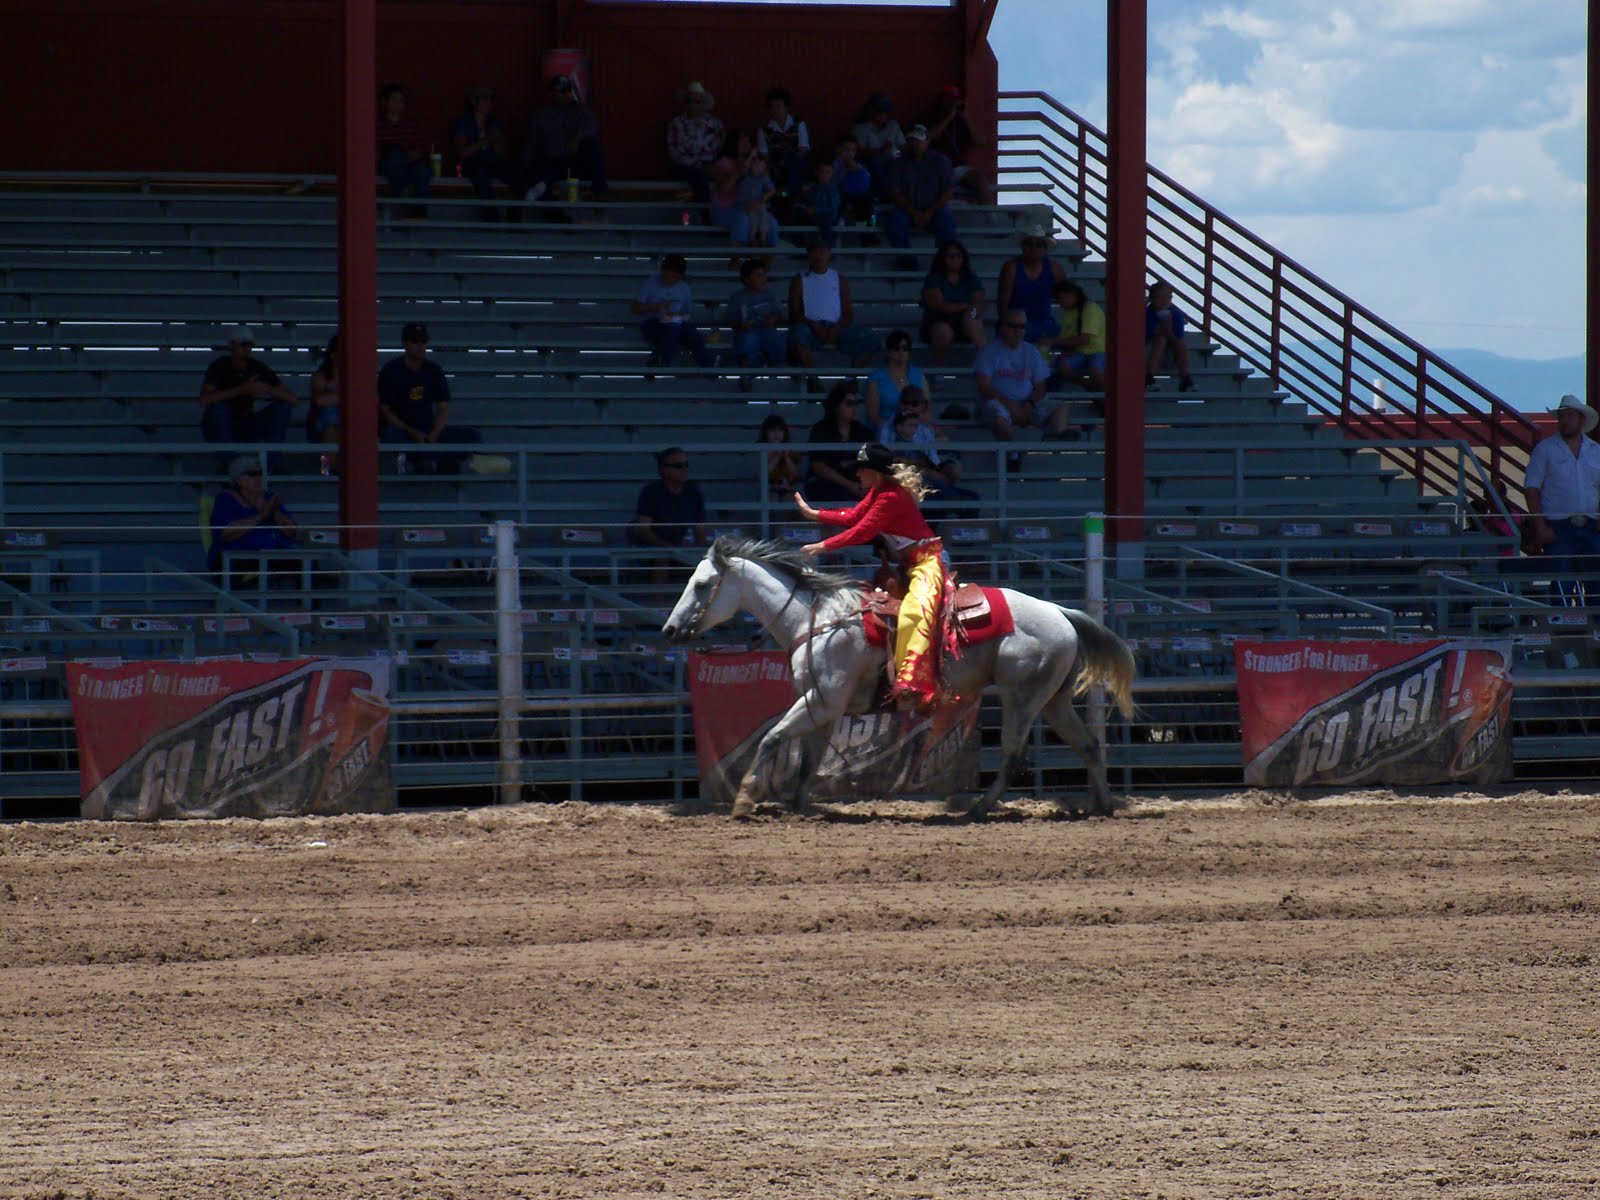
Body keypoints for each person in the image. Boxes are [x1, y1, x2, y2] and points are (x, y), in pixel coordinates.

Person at [795, 441, 950, 711]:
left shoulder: (889, 497)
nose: (857, 475)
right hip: (910, 565)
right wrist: (814, 514)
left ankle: (913, 683)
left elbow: (862, 532)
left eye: (861, 470)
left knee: (915, 613)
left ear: (875, 472)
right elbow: (853, 516)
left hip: (928, 563)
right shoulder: (880, 491)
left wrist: (823, 545)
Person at [377, 322, 484, 474]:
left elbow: (443, 407)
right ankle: (437, 461)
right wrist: (413, 433)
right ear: (405, 344)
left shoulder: (433, 370)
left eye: (423, 341)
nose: (420, 346)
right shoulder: (391, 370)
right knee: (390, 435)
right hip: (403, 431)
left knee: (473, 435)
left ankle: (428, 461)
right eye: (415, 341)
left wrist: (434, 433)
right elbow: (386, 411)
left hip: (428, 431)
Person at [1523, 394, 1600, 606]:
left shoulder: (1595, 451)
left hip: (1592, 524)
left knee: (1596, 583)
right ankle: (1562, 628)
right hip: (1558, 525)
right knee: (1562, 581)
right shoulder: (1545, 450)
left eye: (1569, 416)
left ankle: (1594, 629)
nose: (1565, 420)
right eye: (1562, 416)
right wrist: (1540, 525)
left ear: (1580, 420)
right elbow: (1531, 488)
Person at [199, 326, 298, 471]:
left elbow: (293, 399)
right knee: (219, 408)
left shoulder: (257, 367)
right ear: (231, 345)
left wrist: (267, 389)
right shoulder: (219, 367)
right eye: (242, 345)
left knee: (282, 408)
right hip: (221, 425)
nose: (246, 349)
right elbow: (205, 400)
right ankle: (230, 464)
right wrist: (242, 389)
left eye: (249, 345)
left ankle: (270, 464)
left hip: (246, 423)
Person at [975, 308, 1077, 448]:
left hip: (1027, 403)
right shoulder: (988, 351)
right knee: (999, 419)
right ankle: (1012, 455)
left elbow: (1041, 387)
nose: (1018, 330)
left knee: (1061, 406)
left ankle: (1056, 437)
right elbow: (984, 387)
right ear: (1002, 327)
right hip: (997, 403)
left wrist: (1028, 405)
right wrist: (1012, 407)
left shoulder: (1031, 350)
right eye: (1013, 326)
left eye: (1022, 326)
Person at [788, 238, 878, 374]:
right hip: (810, 328)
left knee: (872, 339)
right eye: (815, 251)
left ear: (829, 254)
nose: (819, 255)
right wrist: (814, 325)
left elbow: (848, 314)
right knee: (797, 335)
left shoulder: (840, 279)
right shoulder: (799, 280)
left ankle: (851, 378)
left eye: (822, 251)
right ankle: (813, 380)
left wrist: (836, 328)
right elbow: (794, 313)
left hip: (837, 328)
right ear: (808, 254)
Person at [523, 73, 608, 205]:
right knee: (542, 173)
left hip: (574, 163)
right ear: (552, 94)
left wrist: (578, 138)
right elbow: (531, 144)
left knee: (592, 145)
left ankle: (600, 193)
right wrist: (527, 167)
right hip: (552, 162)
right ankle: (540, 188)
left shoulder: (580, 110)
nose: (565, 94)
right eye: (561, 92)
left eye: (568, 91)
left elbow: (591, 127)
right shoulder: (541, 114)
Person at [208, 454, 297, 580]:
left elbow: (292, 532)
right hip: (238, 556)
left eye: (260, 473)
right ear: (238, 480)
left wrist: (276, 511)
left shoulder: (270, 497)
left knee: (308, 565)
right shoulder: (225, 499)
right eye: (252, 474)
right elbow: (225, 533)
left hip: (273, 553)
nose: (258, 477)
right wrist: (261, 515)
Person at [630, 447, 708, 585]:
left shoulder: (693, 492)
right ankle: (658, 603)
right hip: (652, 545)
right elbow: (644, 531)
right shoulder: (651, 492)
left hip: (680, 544)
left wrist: (699, 550)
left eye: (686, 465)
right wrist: (668, 547)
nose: (684, 469)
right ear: (663, 470)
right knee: (662, 557)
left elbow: (700, 530)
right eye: (679, 466)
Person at [885, 124, 958, 269]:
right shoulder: (899, 163)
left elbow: (948, 192)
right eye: (911, 140)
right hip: (907, 209)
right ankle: (907, 263)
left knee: (947, 221)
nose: (914, 144)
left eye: (918, 140)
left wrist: (929, 212)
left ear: (927, 141)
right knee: (894, 221)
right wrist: (914, 212)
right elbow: (895, 192)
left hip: (934, 209)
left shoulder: (941, 161)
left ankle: (944, 265)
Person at [451, 86, 522, 220]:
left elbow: (503, 154)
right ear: (475, 102)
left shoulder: (494, 123)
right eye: (484, 100)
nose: (489, 103)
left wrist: (497, 141)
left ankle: (515, 212)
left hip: (493, 162)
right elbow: (462, 153)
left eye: (490, 100)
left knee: (515, 173)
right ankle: (492, 216)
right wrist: (485, 141)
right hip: (472, 164)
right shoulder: (464, 122)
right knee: (480, 175)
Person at [632, 253, 715, 369]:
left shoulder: (684, 287)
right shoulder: (650, 284)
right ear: (662, 271)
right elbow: (635, 308)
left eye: (676, 277)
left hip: (675, 323)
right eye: (669, 276)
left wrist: (676, 315)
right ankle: (659, 359)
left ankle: (708, 365)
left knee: (691, 332)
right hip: (652, 324)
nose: (672, 280)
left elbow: (687, 313)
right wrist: (656, 306)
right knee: (673, 328)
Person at [921, 84, 994, 206]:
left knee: (979, 180)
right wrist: (949, 116)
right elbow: (928, 136)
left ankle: (991, 217)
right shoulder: (931, 117)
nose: (952, 101)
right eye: (948, 98)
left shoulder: (961, 121)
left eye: (954, 99)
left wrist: (966, 118)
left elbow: (981, 142)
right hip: (935, 167)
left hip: (957, 168)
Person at [804, 380, 875, 502]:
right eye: (849, 404)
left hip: (857, 484)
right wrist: (849, 485)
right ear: (836, 405)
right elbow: (818, 466)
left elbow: (870, 463)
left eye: (855, 404)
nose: (853, 408)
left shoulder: (864, 432)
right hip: (825, 484)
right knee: (841, 496)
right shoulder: (820, 430)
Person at [919, 239, 987, 364]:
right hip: (937, 323)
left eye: (958, 256)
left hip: (965, 325)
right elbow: (940, 306)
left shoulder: (971, 278)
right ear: (942, 258)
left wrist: (971, 311)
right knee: (943, 329)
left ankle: (986, 362)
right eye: (951, 256)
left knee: (971, 317)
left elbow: (980, 303)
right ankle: (938, 368)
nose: (955, 259)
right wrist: (966, 306)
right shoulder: (933, 279)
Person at [995, 225, 1067, 343]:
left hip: (1045, 324)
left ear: (1045, 249)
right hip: (1016, 325)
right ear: (1022, 247)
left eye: (1039, 245)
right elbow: (1003, 304)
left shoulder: (1054, 268)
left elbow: (1067, 297)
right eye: (1029, 244)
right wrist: (1006, 326)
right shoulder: (1011, 268)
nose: (1034, 248)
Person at [724, 258, 788, 390]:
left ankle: (776, 367)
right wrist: (741, 325)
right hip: (748, 332)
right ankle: (747, 373)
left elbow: (783, 315)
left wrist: (775, 318)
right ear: (747, 279)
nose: (763, 278)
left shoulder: (770, 295)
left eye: (764, 275)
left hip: (767, 331)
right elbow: (730, 319)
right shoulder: (738, 297)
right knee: (748, 339)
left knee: (776, 339)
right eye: (758, 275)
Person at [1039, 279, 1107, 397]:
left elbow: (1085, 339)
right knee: (1063, 366)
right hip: (1079, 351)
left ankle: (1109, 398)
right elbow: (1068, 337)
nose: (1059, 303)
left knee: (1095, 371)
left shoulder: (1090, 308)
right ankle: (1088, 385)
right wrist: (1067, 350)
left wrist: (1053, 342)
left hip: (1099, 350)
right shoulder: (1067, 312)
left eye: (1060, 298)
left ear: (1071, 295)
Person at [376, 84, 432, 217]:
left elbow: (418, 151)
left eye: (401, 100)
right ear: (385, 102)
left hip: (409, 164)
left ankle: (420, 211)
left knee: (422, 170)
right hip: (386, 166)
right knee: (396, 155)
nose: (398, 104)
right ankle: (404, 201)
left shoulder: (410, 125)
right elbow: (375, 154)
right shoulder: (376, 125)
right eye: (394, 99)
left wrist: (408, 155)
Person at [666, 81, 725, 205]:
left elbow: (714, 150)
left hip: (708, 167)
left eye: (697, 101)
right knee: (697, 176)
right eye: (689, 101)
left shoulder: (715, 125)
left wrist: (704, 165)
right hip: (684, 168)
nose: (692, 105)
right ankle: (705, 215)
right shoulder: (676, 124)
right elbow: (676, 154)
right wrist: (701, 166)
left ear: (704, 104)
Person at [864, 329, 932, 430]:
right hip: (885, 432)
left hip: (915, 432)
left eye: (905, 348)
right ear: (888, 351)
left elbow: (927, 411)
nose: (901, 352)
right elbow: (873, 416)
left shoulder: (919, 375)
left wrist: (912, 427)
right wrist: (897, 430)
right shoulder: (876, 378)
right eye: (896, 348)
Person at [755, 86, 810, 199]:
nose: (775, 110)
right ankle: (790, 193)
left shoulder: (799, 124)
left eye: (778, 106)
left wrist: (789, 166)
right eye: (772, 107)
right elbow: (764, 156)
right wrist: (777, 167)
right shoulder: (764, 130)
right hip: (776, 169)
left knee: (794, 159)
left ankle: (787, 192)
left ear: (787, 107)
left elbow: (803, 150)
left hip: (796, 166)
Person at [850, 92, 905, 199]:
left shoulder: (893, 125)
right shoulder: (860, 128)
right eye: (880, 111)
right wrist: (881, 150)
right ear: (871, 111)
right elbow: (858, 153)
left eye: (886, 111)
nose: (883, 114)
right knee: (875, 165)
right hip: (871, 164)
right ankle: (884, 198)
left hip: (892, 161)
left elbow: (904, 147)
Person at [1145, 280, 1197, 392]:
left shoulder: (1176, 314)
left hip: (1169, 347)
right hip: (1149, 347)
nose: (1164, 300)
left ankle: (1185, 377)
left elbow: (1176, 337)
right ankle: (1148, 377)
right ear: (1152, 299)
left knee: (1180, 343)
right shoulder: (1147, 314)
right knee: (1160, 340)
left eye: (1168, 297)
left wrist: (1167, 327)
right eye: (1160, 297)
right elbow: (1149, 335)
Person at [733, 153, 780, 247]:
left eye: (762, 166)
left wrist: (765, 196)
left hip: (758, 203)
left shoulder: (763, 179)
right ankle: (752, 238)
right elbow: (744, 168)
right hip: (745, 205)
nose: (759, 168)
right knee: (752, 217)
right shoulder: (745, 177)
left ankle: (762, 238)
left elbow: (772, 190)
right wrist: (751, 156)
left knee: (764, 214)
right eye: (756, 165)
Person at [793, 158, 842, 247]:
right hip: (812, 215)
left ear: (832, 174)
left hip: (827, 216)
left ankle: (829, 245)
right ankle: (800, 245)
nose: (824, 175)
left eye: (828, 172)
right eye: (822, 172)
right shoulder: (813, 188)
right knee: (797, 213)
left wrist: (816, 210)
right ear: (816, 173)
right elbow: (808, 202)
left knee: (824, 219)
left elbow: (832, 209)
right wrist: (804, 200)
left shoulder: (833, 189)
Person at [831, 134, 876, 226]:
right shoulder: (835, 164)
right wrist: (845, 171)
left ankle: (867, 227)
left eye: (853, 150)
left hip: (857, 196)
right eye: (846, 149)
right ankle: (839, 224)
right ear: (839, 150)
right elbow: (833, 182)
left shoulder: (857, 164)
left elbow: (866, 176)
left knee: (868, 202)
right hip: (840, 195)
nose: (850, 153)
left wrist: (854, 167)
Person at [757, 413, 801, 501]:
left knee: (794, 502)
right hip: (768, 488)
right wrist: (776, 457)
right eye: (772, 430)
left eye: (780, 430)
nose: (777, 434)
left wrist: (786, 457)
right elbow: (763, 474)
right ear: (765, 433)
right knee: (772, 499)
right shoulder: (762, 451)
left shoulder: (791, 451)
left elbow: (795, 474)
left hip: (788, 488)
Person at [308, 334, 340, 445]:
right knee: (330, 417)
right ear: (333, 355)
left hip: (351, 425)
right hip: (319, 428)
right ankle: (326, 462)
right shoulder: (321, 377)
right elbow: (320, 401)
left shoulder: (359, 377)